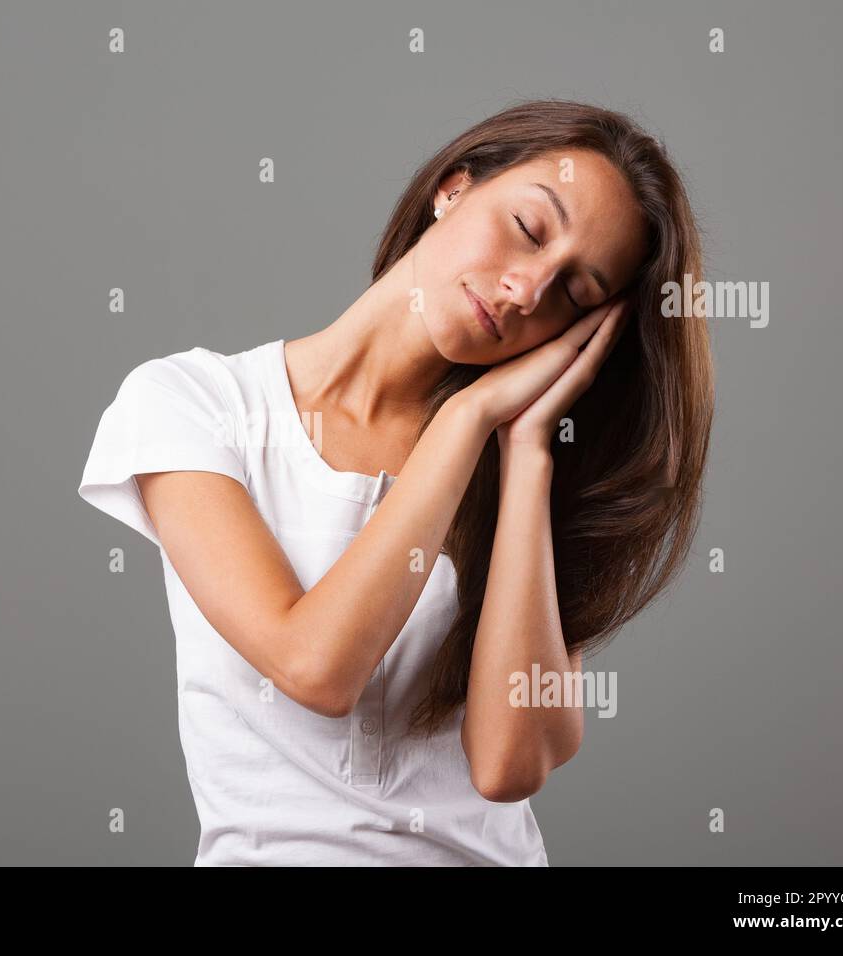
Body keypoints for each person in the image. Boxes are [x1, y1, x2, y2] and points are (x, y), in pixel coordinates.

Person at [78, 99, 715, 866]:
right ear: (453, 188)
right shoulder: (196, 404)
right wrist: (464, 419)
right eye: (529, 229)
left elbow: (509, 765)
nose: (526, 290)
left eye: (574, 294)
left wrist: (528, 458)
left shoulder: (523, 470)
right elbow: (314, 665)